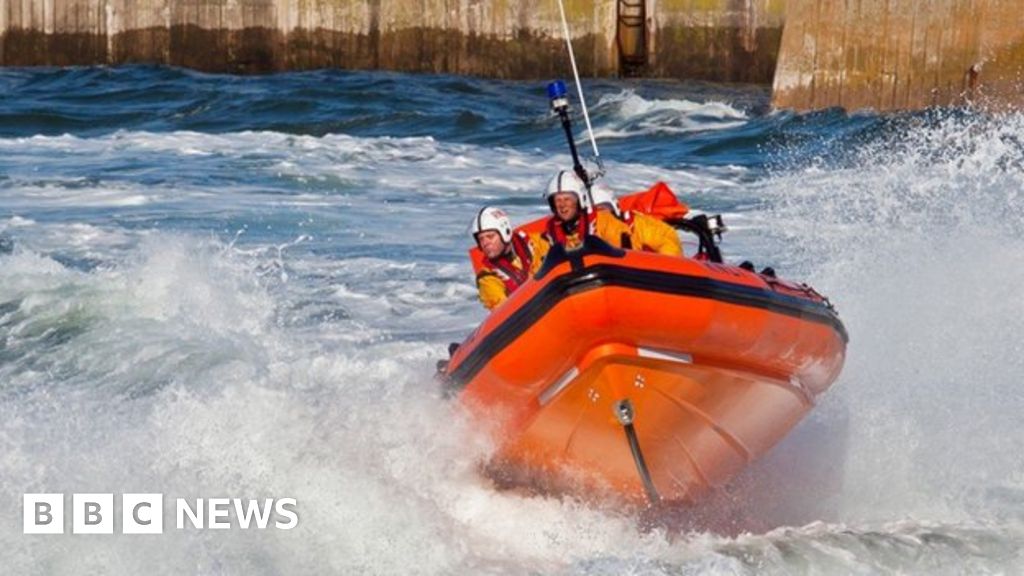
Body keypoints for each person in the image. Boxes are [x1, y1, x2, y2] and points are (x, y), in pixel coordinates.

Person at [470, 206, 550, 310]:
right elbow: (502, 311)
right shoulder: (487, 278)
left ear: (505, 232)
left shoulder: (535, 243)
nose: (485, 243)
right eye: (481, 239)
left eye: (490, 236)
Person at [542, 170, 633, 250]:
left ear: (579, 200)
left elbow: (622, 246)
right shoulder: (550, 234)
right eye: (558, 200)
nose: (562, 205)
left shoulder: (603, 221)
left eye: (567, 199)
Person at [590, 183, 683, 256]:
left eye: (602, 209)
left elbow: (669, 246)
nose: (601, 215)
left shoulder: (639, 225)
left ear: (616, 209)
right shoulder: (586, 228)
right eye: (595, 211)